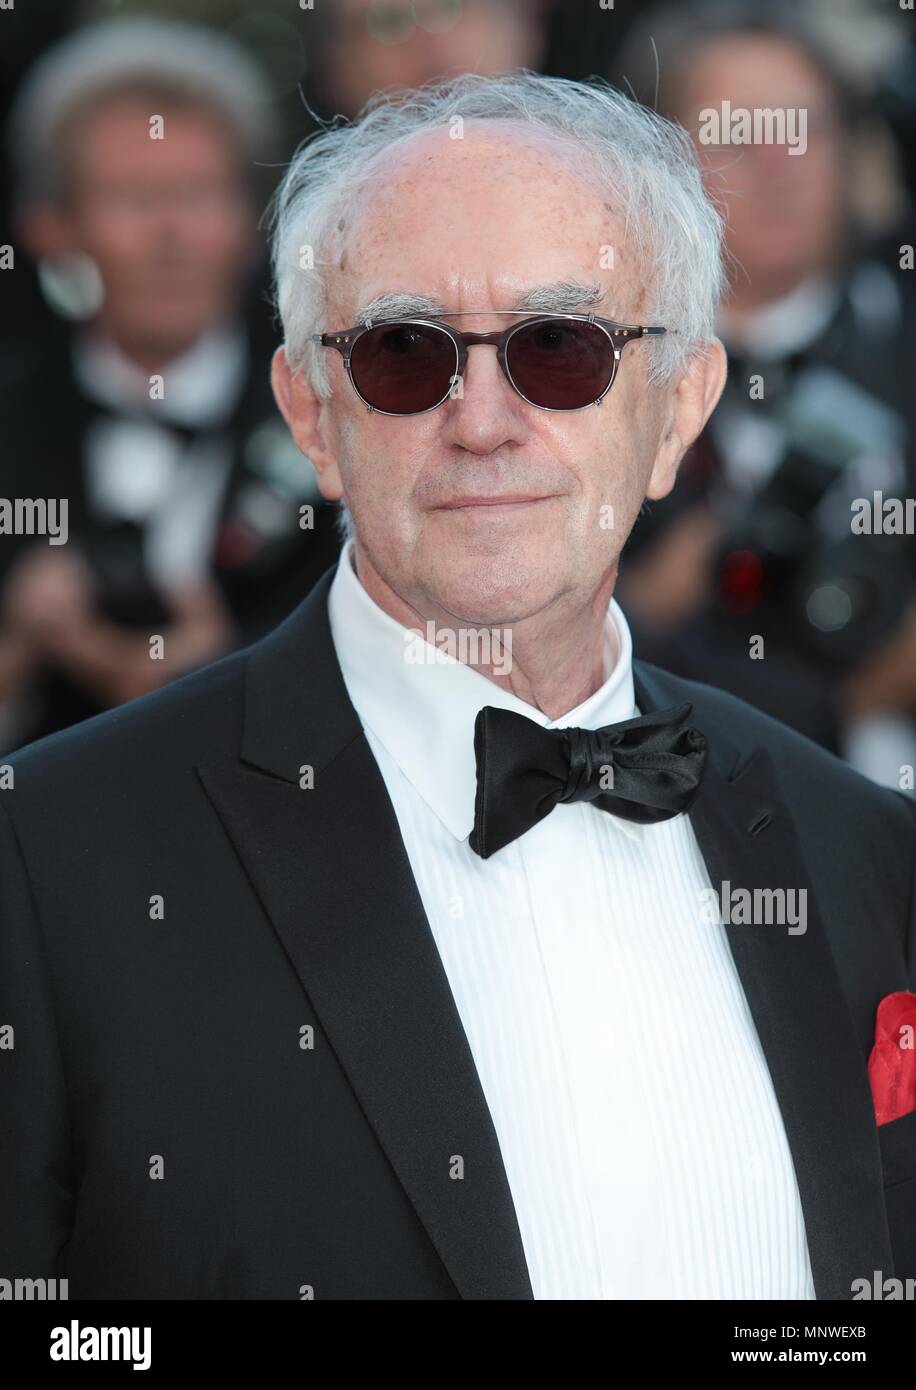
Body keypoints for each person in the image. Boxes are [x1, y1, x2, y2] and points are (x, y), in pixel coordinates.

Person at [1, 72, 914, 1301]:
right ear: (310, 414)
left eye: (560, 347)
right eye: (400, 353)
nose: (481, 420)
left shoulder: (861, 851)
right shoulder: (50, 860)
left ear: (677, 409)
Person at [0, 18, 340, 752]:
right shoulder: (11, 422)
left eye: (199, 194)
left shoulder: (332, 413)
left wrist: (238, 668)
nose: (171, 235)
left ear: (251, 226)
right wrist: (18, 649)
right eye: (133, 198)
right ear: (51, 228)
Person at [613, 4, 916, 784]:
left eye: (802, 128)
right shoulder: (591, 372)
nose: (777, 165)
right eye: (733, 136)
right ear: (660, 166)